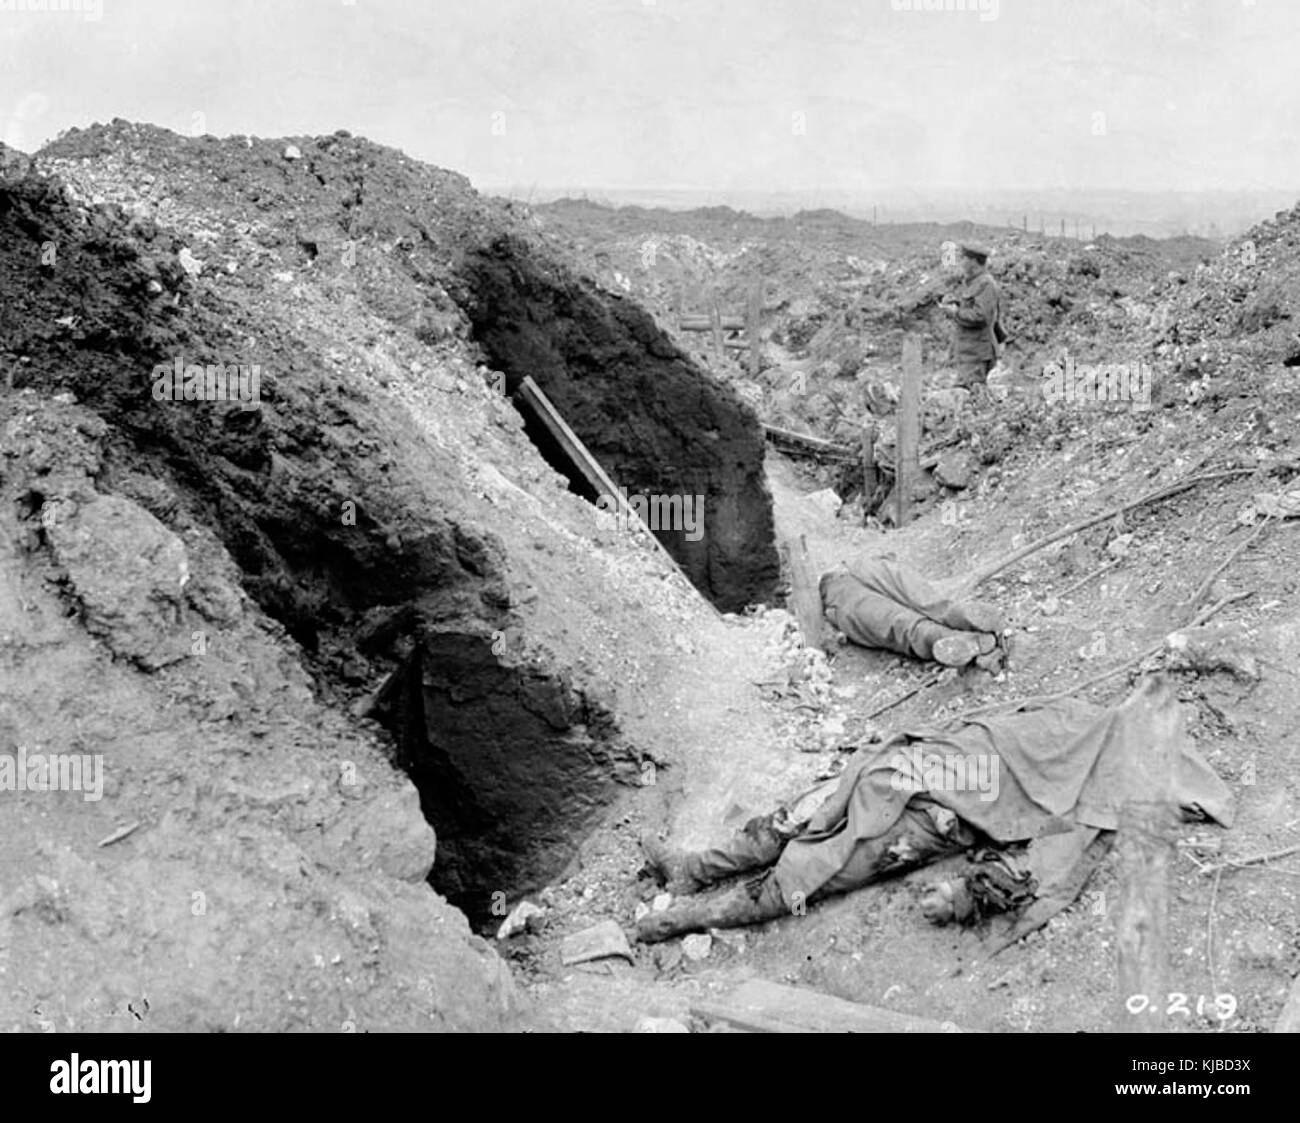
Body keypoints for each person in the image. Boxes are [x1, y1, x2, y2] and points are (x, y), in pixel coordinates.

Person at [636, 678, 1233, 946]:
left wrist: (968, 896)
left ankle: (687, 918)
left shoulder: (1103, 796)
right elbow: (993, 728)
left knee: (821, 869)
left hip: (944, 813)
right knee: (812, 809)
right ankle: (695, 866)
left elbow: (1051, 865)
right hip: (926, 765)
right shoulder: (1075, 716)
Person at [820, 553, 1003, 669]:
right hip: (859, 566)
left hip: (840, 594)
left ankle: (945, 637)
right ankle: (959, 617)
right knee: (925, 600)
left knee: (897, 622)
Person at [941, 241, 1002, 392]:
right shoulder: (973, 282)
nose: (961, 263)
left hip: (977, 353)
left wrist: (955, 313)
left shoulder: (986, 285)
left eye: (964, 259)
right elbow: (971, 307)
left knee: (971, 394)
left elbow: (981, 316)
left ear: (974, 261)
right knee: (966, 393)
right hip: (967, 352)